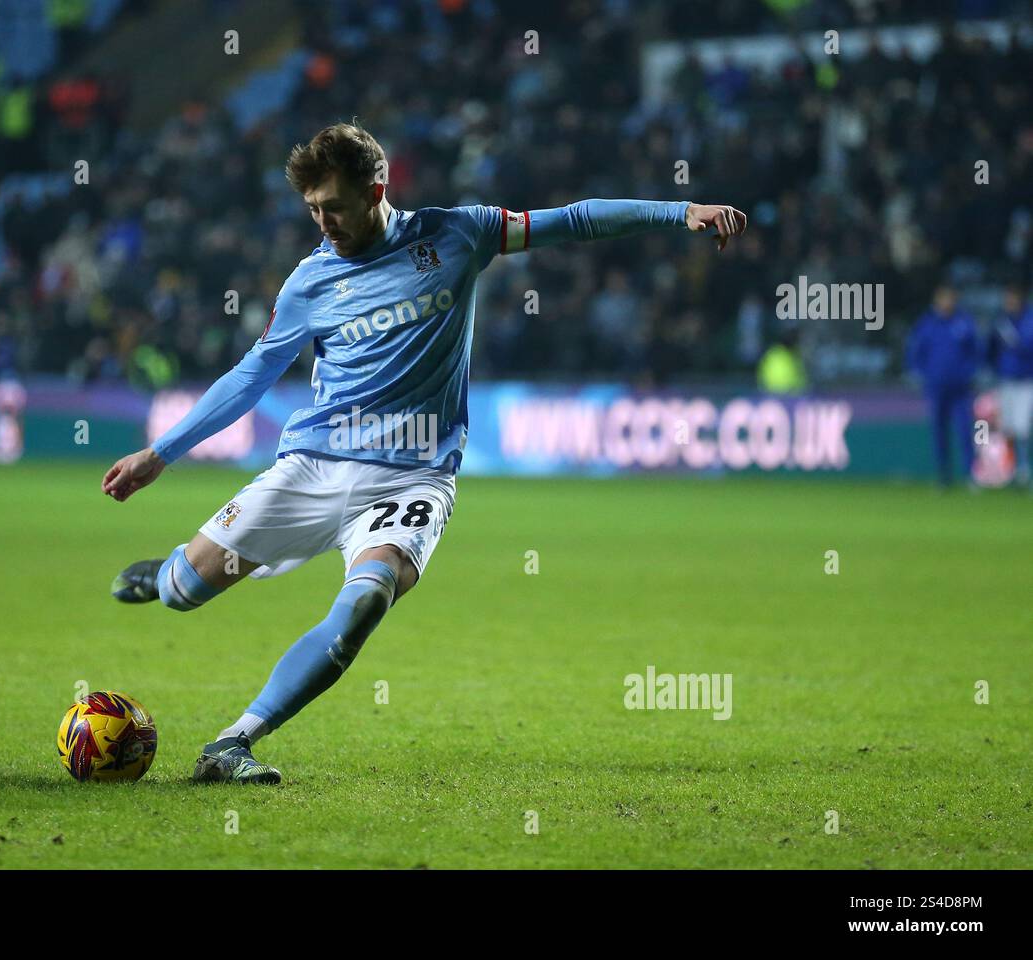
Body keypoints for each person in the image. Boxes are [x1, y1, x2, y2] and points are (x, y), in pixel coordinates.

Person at [100, 122, 747, 783]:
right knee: (185, 594)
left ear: (376, 189)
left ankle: (232, 742)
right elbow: (250, 377)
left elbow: (575, 220)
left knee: (363, 606)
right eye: (313, 209)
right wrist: (161, 452)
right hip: (315, 466)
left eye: (335, 207)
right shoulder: (309, 282)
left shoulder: (457, 234)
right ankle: (170, 573)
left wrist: (680, 211)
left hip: (415, 479)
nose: (323, 222)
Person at [907, 286, 980, 488]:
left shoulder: (964, 322)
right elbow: (915, 352)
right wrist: (919, 373)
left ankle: (970, 474)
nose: (948, 303)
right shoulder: (927, 324)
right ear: (937, 300)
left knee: (965, 430)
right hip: (936, 386)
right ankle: (943, 475)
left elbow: (975, 351)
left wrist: (970, 372)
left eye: (950, 299)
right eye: (944, 299)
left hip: (961, 387)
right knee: (939, 432)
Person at [988, 285, 1033, 486]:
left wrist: (1014, 338)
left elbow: (1026, 346)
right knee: (1008, 428)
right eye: (1007, 299)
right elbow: (990, 348)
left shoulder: (1028, 320)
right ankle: (1010, 470)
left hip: (1026, 381)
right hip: (1006, 380)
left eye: (1013, 299)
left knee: (1023, 427)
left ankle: (1024, 469)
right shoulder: (1000, 321)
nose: (1009, 303)